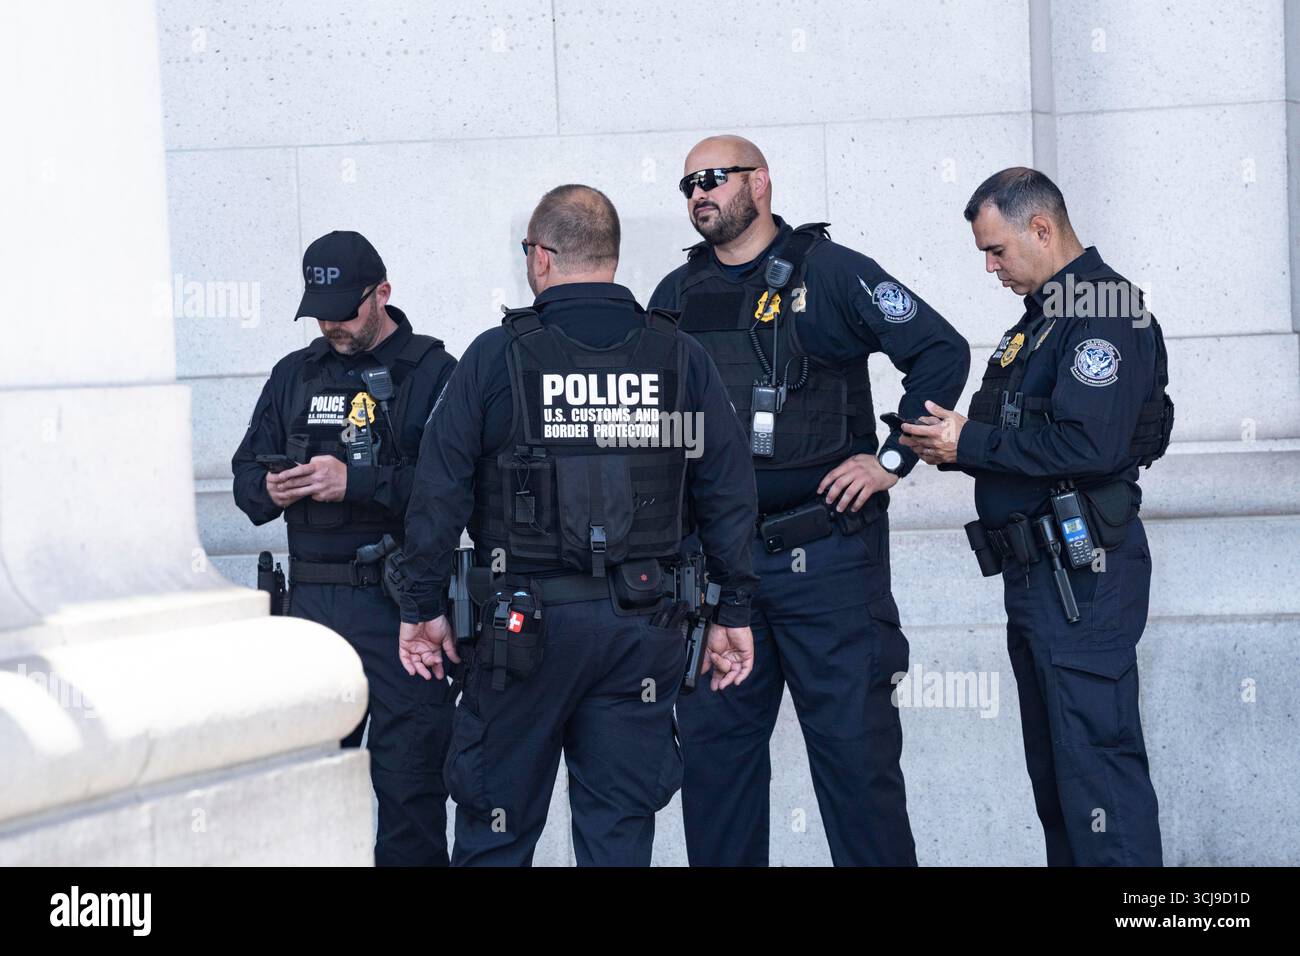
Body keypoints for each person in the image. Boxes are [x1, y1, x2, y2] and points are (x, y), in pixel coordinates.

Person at [396, 185, 760, 867]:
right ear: (613, 259)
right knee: (618, 834)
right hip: (643, 629)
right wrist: (733, 608)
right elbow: (729, 491)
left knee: (497, 830)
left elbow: (437, 491)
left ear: (540, 258)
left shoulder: (494, 357)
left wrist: (421, 606)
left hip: (521, 636)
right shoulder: (679, 356)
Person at [649, 135, 971, 866]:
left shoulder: (830, 273)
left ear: (759, 182)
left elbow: (941, 348)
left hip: (826, 563)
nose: (699, 193)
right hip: (720, 576)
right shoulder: (674, 296)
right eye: (688, 184)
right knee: (716, 774)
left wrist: (893, 457)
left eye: (712, 178)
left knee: (858, 771)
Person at [901, 167, 1173, 866]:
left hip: (1079, 577)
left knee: (1095, 772)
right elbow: (1028, 436)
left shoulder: (1102, 310)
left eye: (997, 250)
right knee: (1059, 777)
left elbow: (1091, 444)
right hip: (1041, 576)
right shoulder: (1047, 318)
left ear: (1042, 229)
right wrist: (955, 448)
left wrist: (973, 443)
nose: (991, 267)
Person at [231, 230, 459, 866]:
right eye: (320, 311)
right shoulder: (294, 374)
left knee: (411, 792)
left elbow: (455, 490)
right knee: (306, 794)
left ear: (381, 293)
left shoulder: (435, 371)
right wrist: (273, 487)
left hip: (401, 609)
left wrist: (355, 481)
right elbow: (244, 477)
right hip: (310, 611)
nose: (331, 323)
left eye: (345, 309)